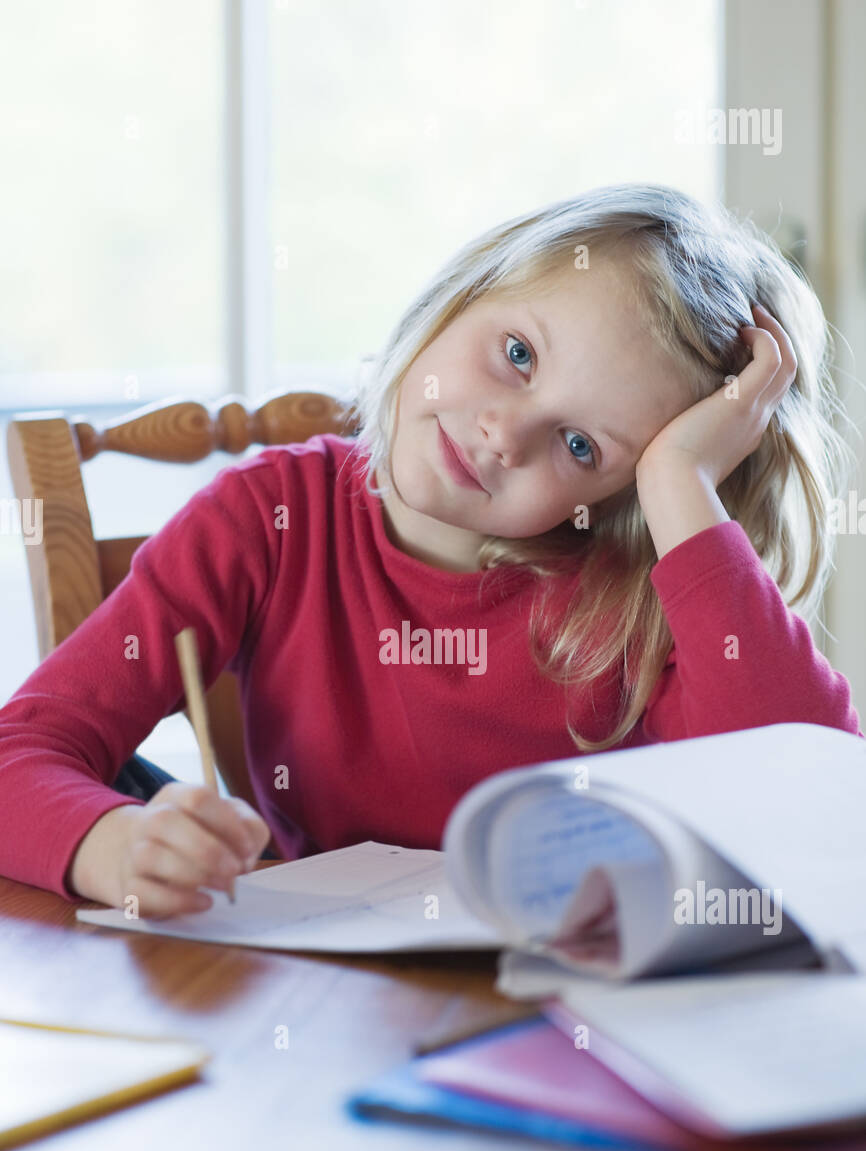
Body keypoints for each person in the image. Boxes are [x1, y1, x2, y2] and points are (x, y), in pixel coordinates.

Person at [0, 183, 859, 920]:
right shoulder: (269, 518)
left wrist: (680, 489)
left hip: (570, 1017)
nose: (501, 436)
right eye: (517, 354)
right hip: (317, 1005)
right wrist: (114, 845)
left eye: (582, 447)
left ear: (617, 500)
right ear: (465, 292)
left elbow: (814, 816)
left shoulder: (633, 599)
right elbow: (19, 755)